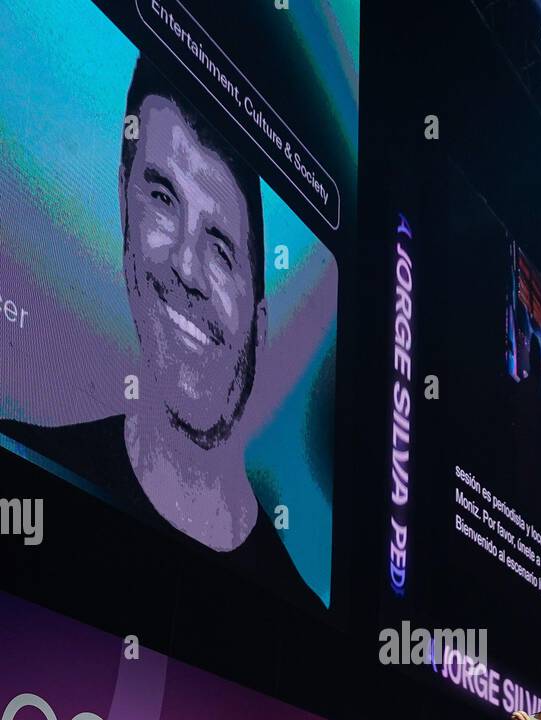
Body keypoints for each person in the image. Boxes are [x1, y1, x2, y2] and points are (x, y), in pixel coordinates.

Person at [0, 54, 320, 609]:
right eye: (164, 200)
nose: (186, 268)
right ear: (125, 207)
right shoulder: (24, 462)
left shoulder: (301, 615)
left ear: (260, 329)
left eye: (222, 250)